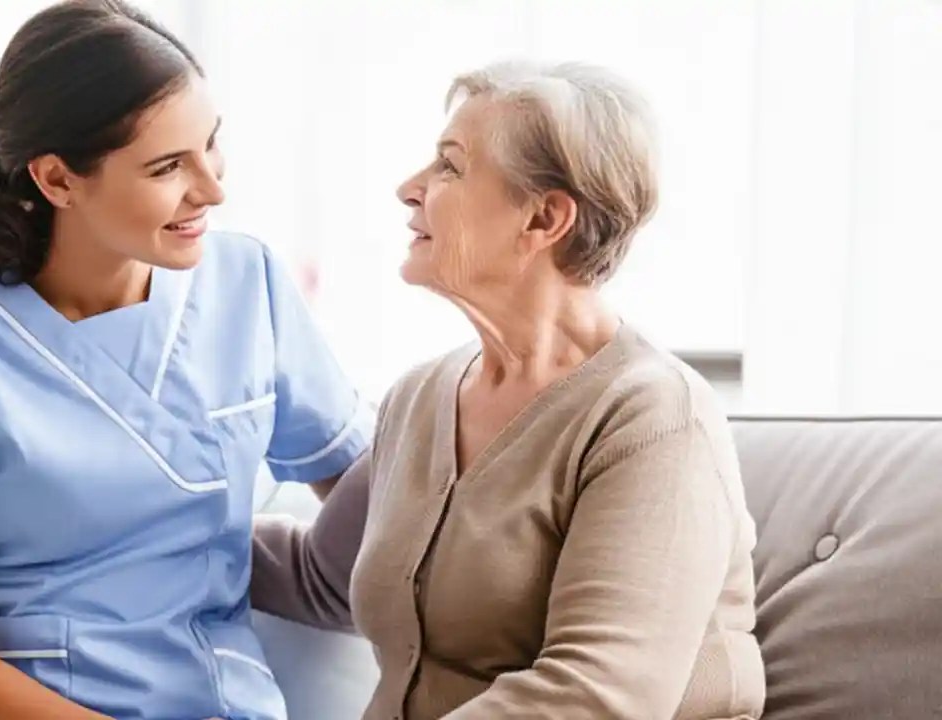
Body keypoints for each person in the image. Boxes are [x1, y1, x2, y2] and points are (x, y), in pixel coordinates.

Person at [0, 2, 371, 718]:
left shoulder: (249, 287)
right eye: (168, 166)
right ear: (56, 180)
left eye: (212, 146)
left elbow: (385, 503)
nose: (211, 189)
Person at [252, 60, 766, 719]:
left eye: (449, 167)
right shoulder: (421, 396)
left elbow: (597, 696)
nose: (410, 188)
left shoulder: (654, 419)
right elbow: (320, 577)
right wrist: (132, 524)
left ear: (544, 218)